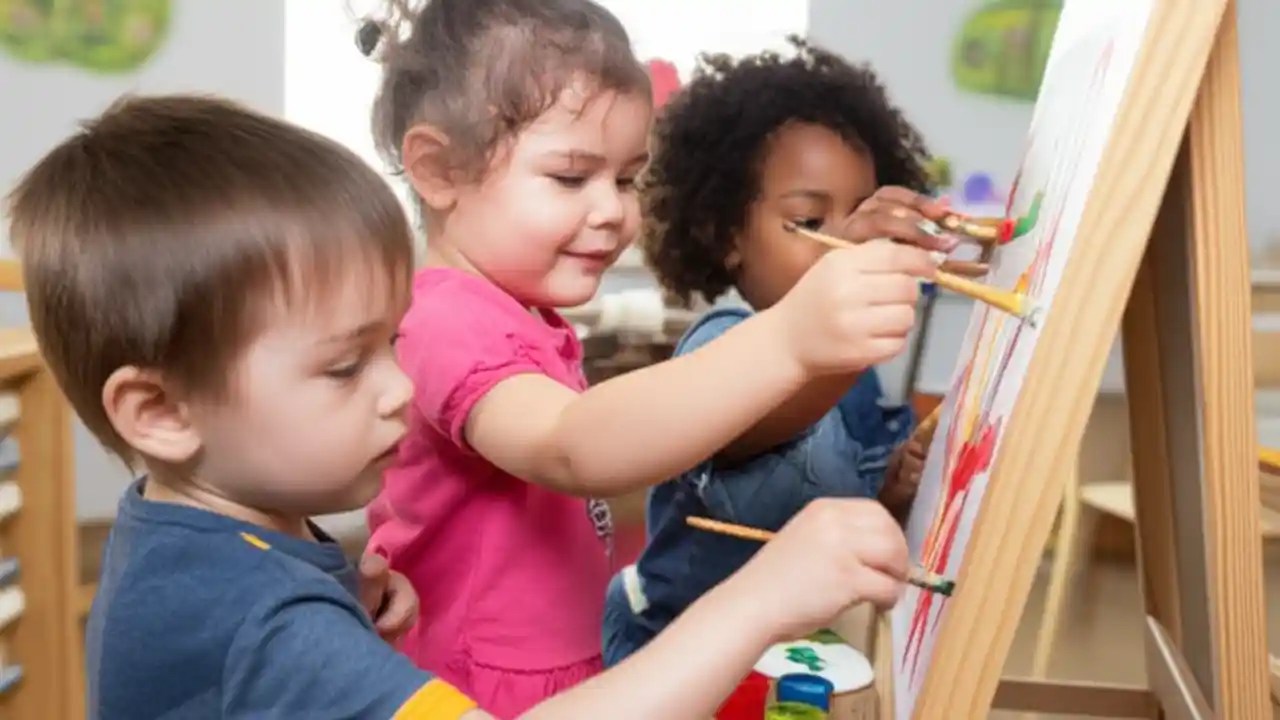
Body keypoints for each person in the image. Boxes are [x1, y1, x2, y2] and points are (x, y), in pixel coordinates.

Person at [8, 93, 915, 720]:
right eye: (342, 367)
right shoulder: (261, 626)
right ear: (160, 412)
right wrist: (760, 601)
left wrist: (345, 599)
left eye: (390, 343)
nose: (401, 388)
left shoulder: (199, 523)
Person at [358, 1, 953, 716]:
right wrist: (791, 337)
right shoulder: (443, 318)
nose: (612, 212)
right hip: (475, 693)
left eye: (627, 179)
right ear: (438, 169)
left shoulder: (526, 320)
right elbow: (570, 446)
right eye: (572, 178)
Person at [603, 38, 948, 667]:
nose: (847, 247)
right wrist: (839, 344)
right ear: (725, 233)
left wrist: (893, 492)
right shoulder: (723, 341)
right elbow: (758, 426)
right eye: (811, 224)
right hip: (665, 654)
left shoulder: (859, 379)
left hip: (777, 659)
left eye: (861, 218)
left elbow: (823, 517)